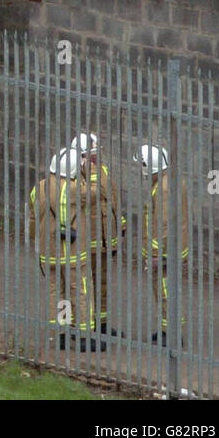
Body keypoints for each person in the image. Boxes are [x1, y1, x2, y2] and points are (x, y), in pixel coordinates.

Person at [29, 148, 105, 352]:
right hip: (72, 253)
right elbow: (98, 192)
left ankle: (62, 333)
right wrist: (92, 170)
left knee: (57, 292)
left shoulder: (40, 187)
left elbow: (33, 219)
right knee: (80, 291)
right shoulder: (75, 189)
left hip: (49, 252)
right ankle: (84, 336)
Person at [69, 131, 125, 336]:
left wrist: (120, 228)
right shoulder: (75, 173)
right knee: (85, 285)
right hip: (87, 239)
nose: (97, 154)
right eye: (93, 152)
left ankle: (101, 324)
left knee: (101, 284)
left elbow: (112, 201)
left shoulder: (101, 170)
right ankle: (83, 325)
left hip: (104, 238)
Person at [134, 144, 189, 346]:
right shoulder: (169, 182)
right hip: (173, 249)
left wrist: (155, 253)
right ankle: (168, 331)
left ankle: (172, 335)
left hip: (166, 252)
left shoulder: (164, 188)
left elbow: (162, 226)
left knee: (165, 292)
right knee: (167, 290)